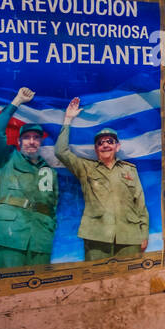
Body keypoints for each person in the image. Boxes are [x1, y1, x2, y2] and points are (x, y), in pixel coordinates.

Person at [56, 97, 149, 261]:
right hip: (97, 236)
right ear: (96, 148)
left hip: (129, 236)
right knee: (95, 283)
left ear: (117, 146)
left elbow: (140, 203)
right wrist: (68, 119)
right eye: (100, 143)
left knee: (130, 282)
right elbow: (61, 152)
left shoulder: (130, 170)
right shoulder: (85, 168)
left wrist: (144, 233)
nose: (105, 145)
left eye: (110, 141)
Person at [0, 87, 59, 267]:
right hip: (10, 234)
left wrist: (49, 228)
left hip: (41, 239)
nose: (31, 141)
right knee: (7, 288)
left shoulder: (49, 171)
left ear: (40, 142)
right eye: (27, 137)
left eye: (36, 138)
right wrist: (17, 102)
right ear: (18, 141)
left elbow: (53, 203)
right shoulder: (7, 157)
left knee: (38, 291)